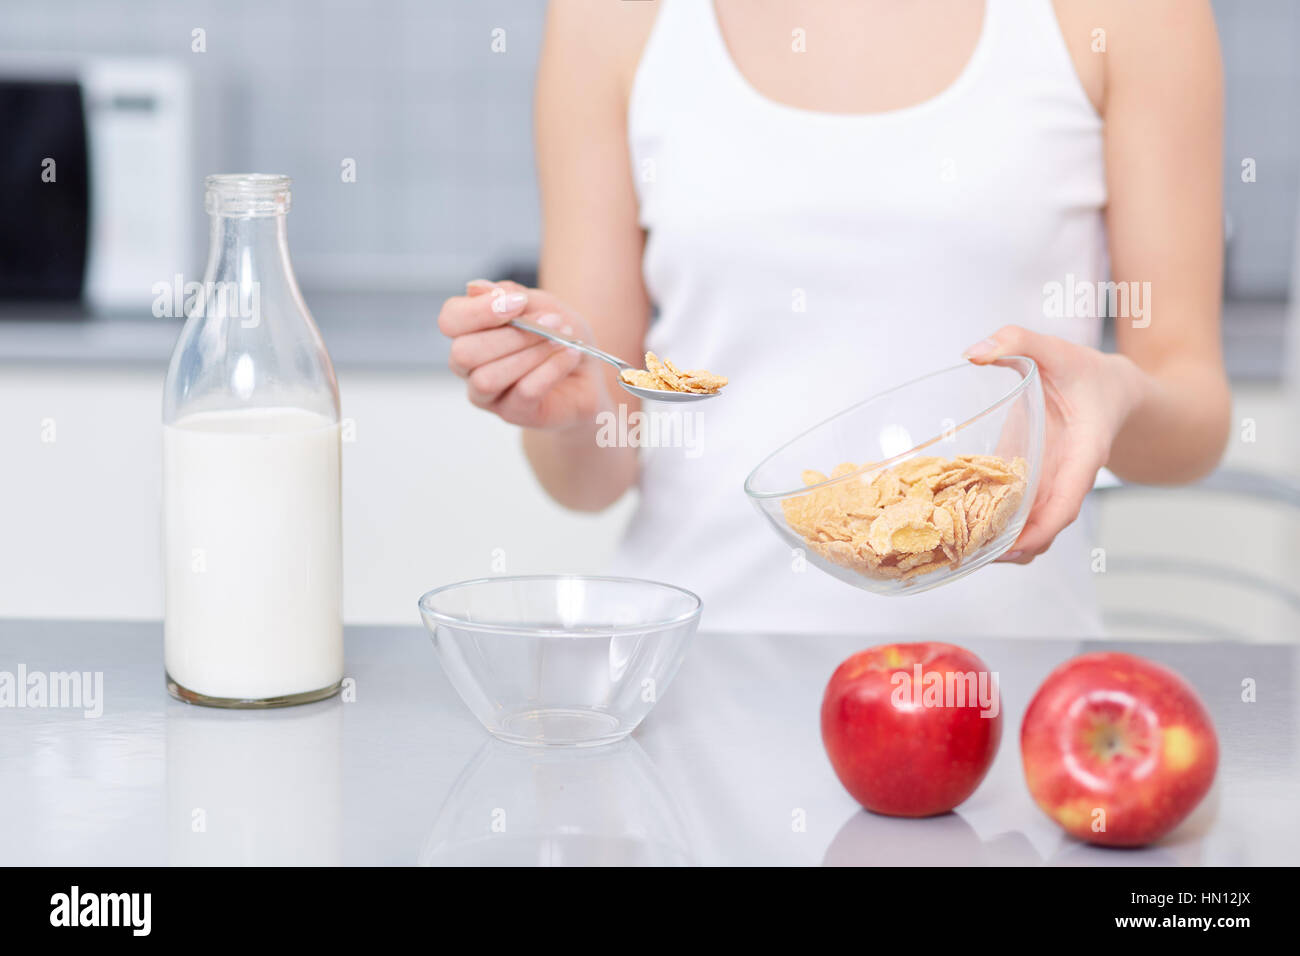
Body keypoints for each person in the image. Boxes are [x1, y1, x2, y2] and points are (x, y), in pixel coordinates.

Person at [437, 0, 1230, 636]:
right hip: (696, 672)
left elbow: (1194, 417)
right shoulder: (610, 16)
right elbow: (593, 476)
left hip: (1001, 680)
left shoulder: (1131, 14)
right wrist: (565, 415)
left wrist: (1116, 394)